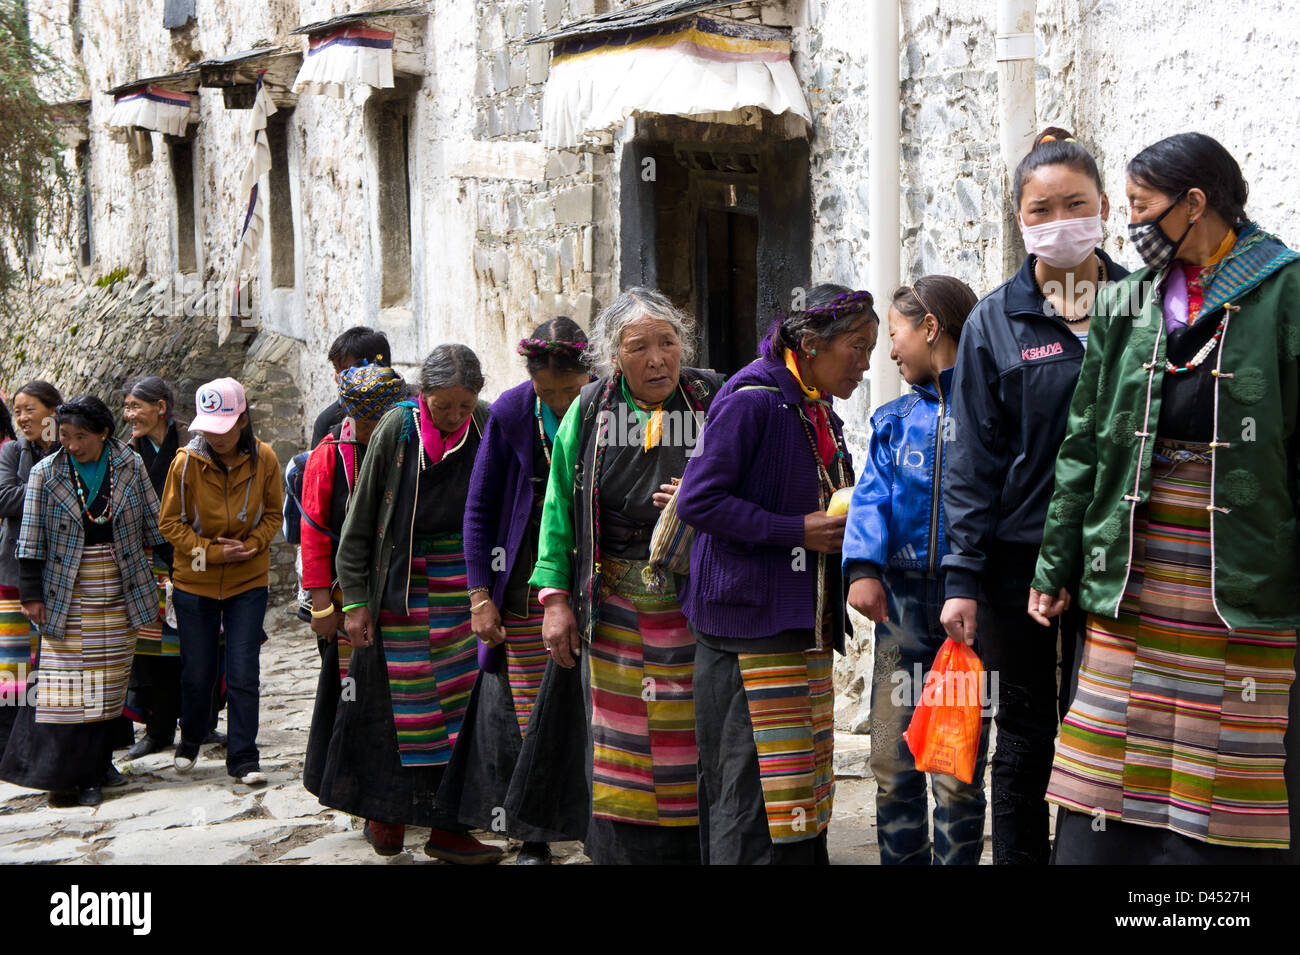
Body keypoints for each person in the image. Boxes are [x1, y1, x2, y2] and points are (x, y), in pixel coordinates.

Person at [1030, 132, 1300, 863]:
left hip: (1237, 576)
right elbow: (1084, 444)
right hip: (1134, 572)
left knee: (1229, 776)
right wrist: (1055, 568)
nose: (1134, 229)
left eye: (1144, 210)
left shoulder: (1285, 290)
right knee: (1104, 777)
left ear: (1195, 203)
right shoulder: (1126, 301)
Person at [939, 127, 1128, 865]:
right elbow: (971, 460)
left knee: (1112, 723)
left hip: (1124, 555)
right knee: (1023, 730)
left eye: (1074, 203)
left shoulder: (1145, 307)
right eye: (1041, 208)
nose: (1059, 220)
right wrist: (962, 577)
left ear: (1105, 205)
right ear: (1020, 219)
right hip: (1017, 561)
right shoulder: (994, 321)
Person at [512, 287, 724, 866]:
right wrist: (555, 600)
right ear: (613, 355)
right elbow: (558, 510)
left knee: (695, 736)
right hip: (614, 609)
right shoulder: (590, 410)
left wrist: (699, 500)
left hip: (696, 604)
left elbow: (744, 480)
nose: (658, 358)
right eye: (639, 347)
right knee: (621, 745)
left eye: (668, 342)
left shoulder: (712, 398)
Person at [676, 284, 875, 865]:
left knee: (800, 786)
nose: (866, 363)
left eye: (871, 348)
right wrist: (797, 531)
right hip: (745, 629)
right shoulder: (753, 402)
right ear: (810, 345)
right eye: (856, 348)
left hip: (797, 625)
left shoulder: (816, 409)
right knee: (749, 791)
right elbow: (699, 501)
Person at [322, 344, 503, 865]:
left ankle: (450, 830)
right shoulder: (396, 430)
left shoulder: (485, 426)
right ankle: (388, 814)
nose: (452, 416)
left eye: (464, 406)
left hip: (462, 587)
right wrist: (355, 600)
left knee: (459, 711)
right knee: (399, 709)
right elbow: (358, 523)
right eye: (443, 405)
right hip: (398, 587)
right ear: (422, 395)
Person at [842, 276, 991, 864]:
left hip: (967, 608)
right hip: (900, 608)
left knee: (954, 764)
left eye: (897, 334)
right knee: (890, 758)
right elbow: (871, 499)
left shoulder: (988, 412)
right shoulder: (892, 419)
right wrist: (863, 567)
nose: (890, 349)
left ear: (930, 328)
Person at [438, 317, 592, 865]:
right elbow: (479, 509)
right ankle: (534, 834)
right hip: (526, 584)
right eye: (547, 391)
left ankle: (602, 822)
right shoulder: (510, 413)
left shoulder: (606, 408)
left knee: (595, 709)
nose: (558, 400)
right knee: (532, 712)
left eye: (568, 391)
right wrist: (480, 596)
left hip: (595, 581)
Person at [0, 396, 165, 807]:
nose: (71, 444)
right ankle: (68, 776)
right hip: (65, 590)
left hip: (119, 585)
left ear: (103, 433)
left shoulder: (129, 465)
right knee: (66, 689)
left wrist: (174, 569)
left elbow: (153, 522)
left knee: (107, 685)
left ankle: (98, 768)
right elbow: (30, 539)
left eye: (81, 437)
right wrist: (31, 596)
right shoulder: (46, 473)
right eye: (66, 436)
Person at [158, 378, 282, 787]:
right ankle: (191, 736)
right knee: (199, 671)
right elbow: (169, 524)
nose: (216, 436)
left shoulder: (265, 459)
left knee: (244, 672)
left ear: (243, 419)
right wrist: (211, 553)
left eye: (225, 427)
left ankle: (244, 757)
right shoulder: (185, 463)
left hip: (249, 580)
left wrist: (252, 545)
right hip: (195, 582)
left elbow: (273, 514)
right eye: (208, 428)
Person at [300, 363, 407, 805]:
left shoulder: (408, 444)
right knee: (352, 693)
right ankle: (354, 789)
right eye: (367, 422)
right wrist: (323, 605)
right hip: (348, 599)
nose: (375, 429)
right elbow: (314, 533)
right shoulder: (330, 456)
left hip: (398, 592)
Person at [119, 376, 197, 759]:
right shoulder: (126, 454)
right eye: (127, 407)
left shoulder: (192, 443)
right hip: (149, 562)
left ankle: (199, 724)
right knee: (155, 652)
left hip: (192, 556)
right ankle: (158, 728)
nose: (128, 415)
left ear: (161, 408)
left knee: (196, 647)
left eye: (135, 406)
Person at [0, 382, 58, 755]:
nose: (22, 418)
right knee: (13, 668)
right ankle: (9, 745)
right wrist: (50, 489)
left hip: (60, 573)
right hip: (13, 573)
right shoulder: (10, 452)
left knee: (58, 662)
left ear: (53, 411)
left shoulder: (73, 448)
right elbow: (4, 498)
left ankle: (53, 745)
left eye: (30, 409)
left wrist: (31, 491)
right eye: (18, 410)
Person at [311, 327, 392, 447]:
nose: (338, 378)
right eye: (336, 370)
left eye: (347, 370)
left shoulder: (411, 412)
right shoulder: (328, 422)